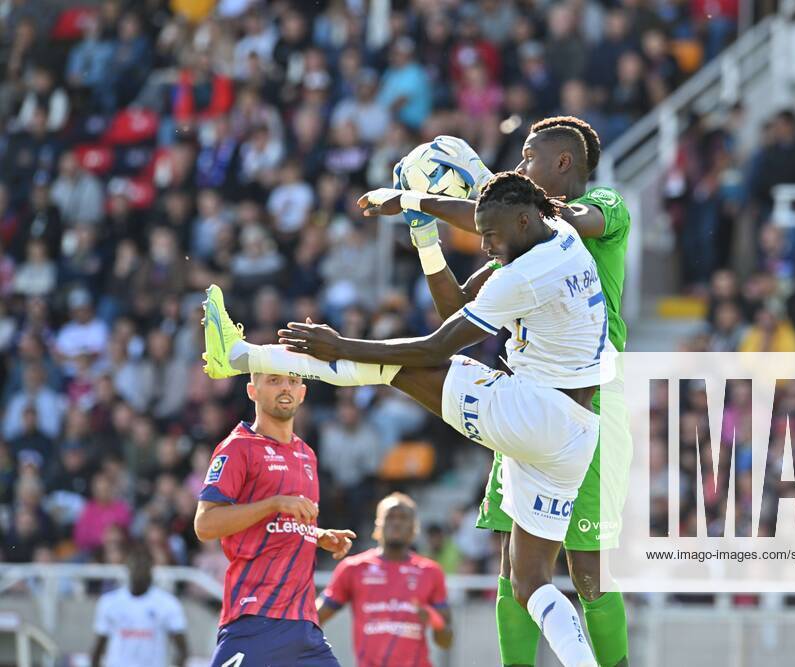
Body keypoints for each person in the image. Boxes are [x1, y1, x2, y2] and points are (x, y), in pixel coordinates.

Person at [203, 171, 611, 667]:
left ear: (524, 220)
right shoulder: (561, 234)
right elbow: (481, 214)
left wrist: (341, 344)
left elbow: (437, 342)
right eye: (482, 235)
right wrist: (413, 200)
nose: (484, 246)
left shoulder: (521, 276)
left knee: (395, 365)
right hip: (575, 434)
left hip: (535, 412)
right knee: (532, 583)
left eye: (493, 237)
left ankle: (243, 356)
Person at [378, 118, 633, 667]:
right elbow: (456, 316)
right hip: (528, 397)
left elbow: (566, 214)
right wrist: (424, 232)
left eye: (526, 158)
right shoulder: (518, 248)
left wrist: (460, 185)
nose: (518, 168)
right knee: (514, 564)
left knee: (588, 570)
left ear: (563, 164)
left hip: (591, 401)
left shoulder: (604, 206)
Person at [193, 370, 357, 667]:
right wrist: (274, 504)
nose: (285, 388)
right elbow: (205, 525)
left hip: (304, 626)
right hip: (254, 619)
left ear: (303, 393)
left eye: (293, 382)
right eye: (274, 380)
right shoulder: (237, 447)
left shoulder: (307, 455)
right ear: (252, 391)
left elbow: (285, 524)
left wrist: (318, 536)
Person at [317, 492, 453, 666]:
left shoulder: (431, 572)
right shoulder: (353, 568)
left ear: (414, 527)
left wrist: (434, 619)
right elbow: (315, 618)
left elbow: (446, 640)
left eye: (403, 517)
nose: (396, 522)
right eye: (390, 517)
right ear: (377, 525)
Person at [91, 544, 188, 667]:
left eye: (143, 563)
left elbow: (182, 649)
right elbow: (97, 649)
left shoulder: (168, 604)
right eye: (135, 563)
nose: (139, 568)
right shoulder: (109, 602)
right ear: (127, 566)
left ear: (151, 567)